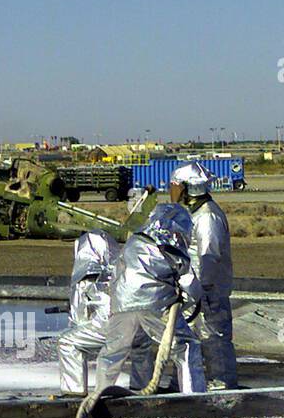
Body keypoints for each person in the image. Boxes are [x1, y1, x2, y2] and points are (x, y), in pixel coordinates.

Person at [94, 203, 205, 394]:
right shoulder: (170, 245)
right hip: (155, 302)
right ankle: (193, 395)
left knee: (113, 351)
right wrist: (188, 303)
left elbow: (115, 275)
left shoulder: (133, 241)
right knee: (186, 346)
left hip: (121, 303)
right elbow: (189, 284)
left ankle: (100, 394)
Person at [170, 161, 238, 389]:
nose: (172, 191)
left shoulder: (207, 217)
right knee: (188, 340)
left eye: (176, 186)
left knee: (214, 340)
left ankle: (222, 386)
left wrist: (202, 291)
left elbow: (208, 256)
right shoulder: (192, 214)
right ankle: (191, 382)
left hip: (207, 294)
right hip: (194, 292)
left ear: (189, 188)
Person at [58, 231, 120, 395]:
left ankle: (74, 392)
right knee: (141, 346)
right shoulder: (124, 270)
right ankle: (141, 386)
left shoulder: (86, 278)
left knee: (67, 342)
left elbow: (79, 318)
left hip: (110, 327)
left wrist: (73, 322)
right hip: (139, 327)